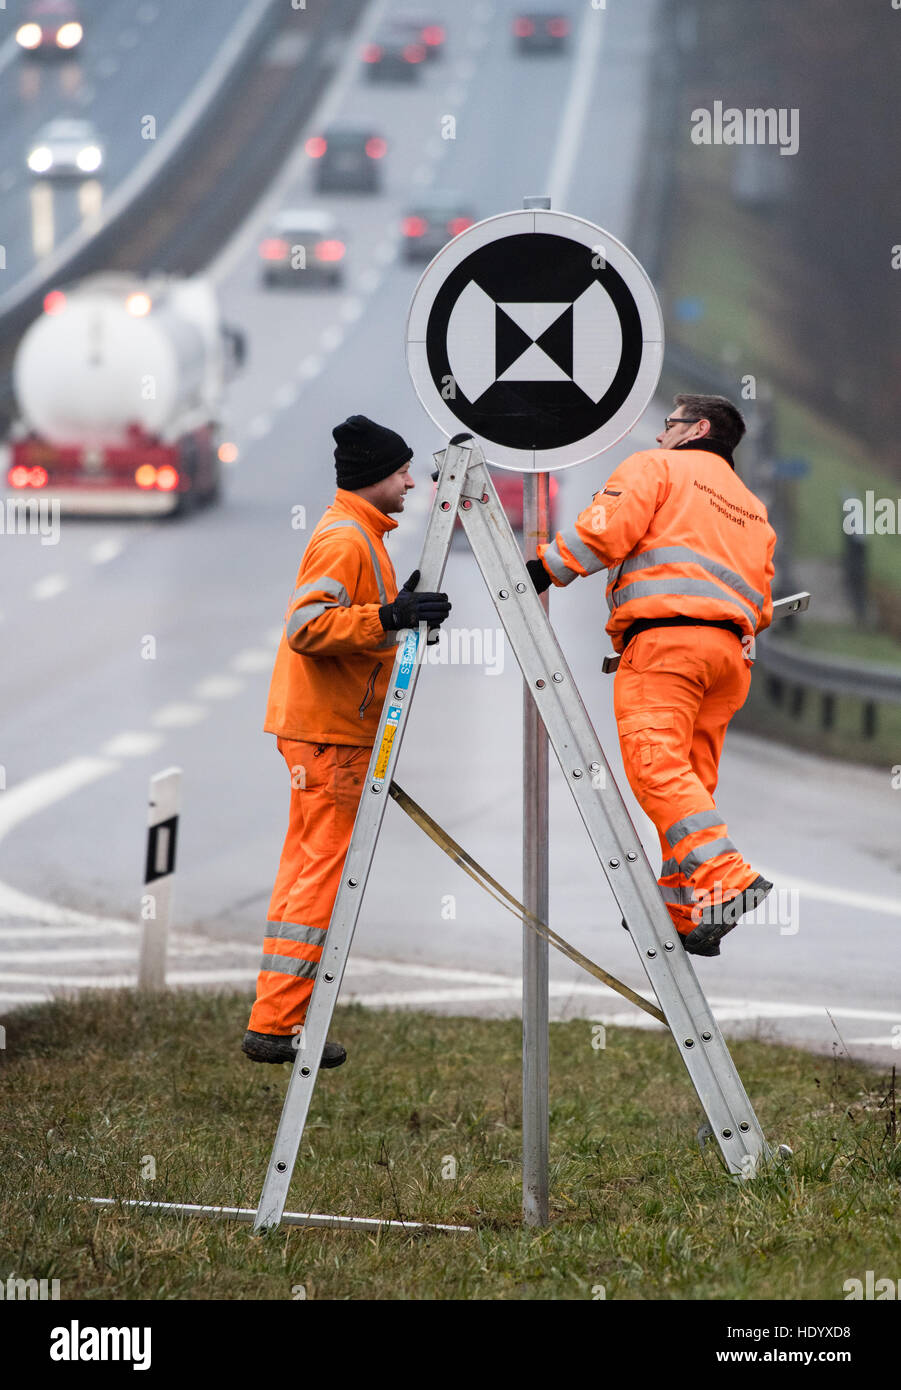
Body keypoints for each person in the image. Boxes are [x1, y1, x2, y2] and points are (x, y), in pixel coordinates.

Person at [526, 395, 777, 957]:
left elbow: (603, 534)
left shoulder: (655, 467)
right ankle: (684, 910)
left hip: (666, 646)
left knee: (654, 767)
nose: (661, 434)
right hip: (729, 659)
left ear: (699, 429)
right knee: (689, 783)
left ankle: (727, 878)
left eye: (669, 425)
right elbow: (760, 602)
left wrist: (540, 571)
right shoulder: (752, 507)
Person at [243, 416, 451, 1066]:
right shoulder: (345, 538)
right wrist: (389, 617)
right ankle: (276, 1027)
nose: (411, 482)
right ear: (373, 478)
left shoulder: (362, 535)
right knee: (319, 875)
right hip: (329, 734)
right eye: (401, 472)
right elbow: (308, 627)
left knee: (307, 869)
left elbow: (350, 626)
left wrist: (396, 616)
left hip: (329, 729)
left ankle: (278, 1018)